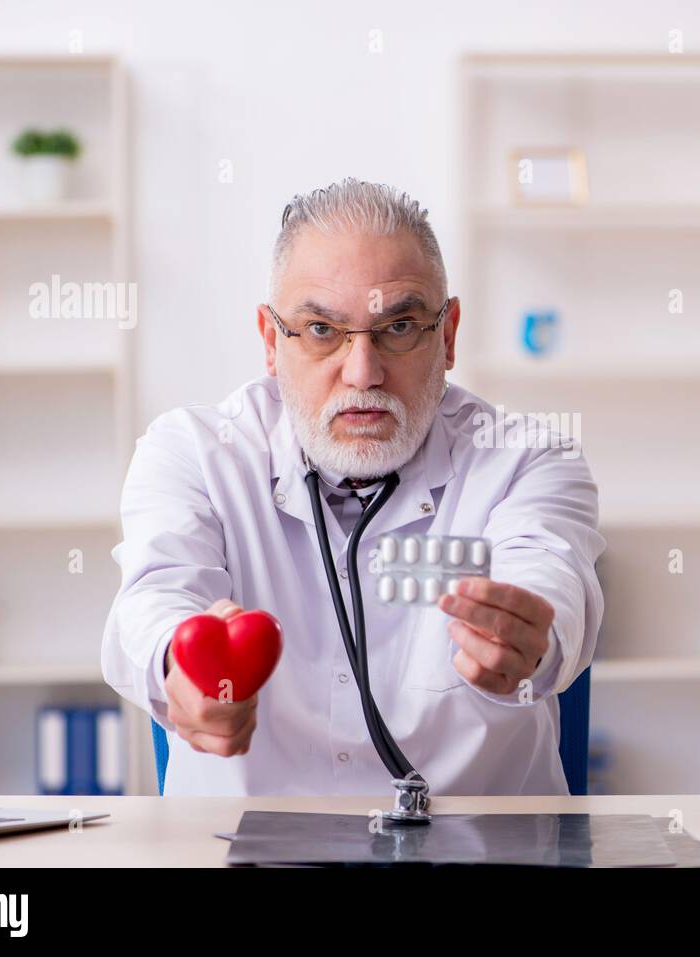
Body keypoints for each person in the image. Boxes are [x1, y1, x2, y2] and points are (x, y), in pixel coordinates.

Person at [101, 178, 605, 795]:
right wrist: (181, 667)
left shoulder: (527, 459)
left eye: (398, 327)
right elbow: (154, 599)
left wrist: (529, 638)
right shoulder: (194, 454)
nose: (363, 373)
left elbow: (551, 582)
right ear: (270, 340)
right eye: (320, 330)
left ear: (447, 337)